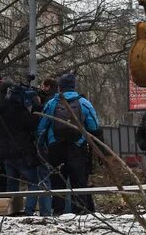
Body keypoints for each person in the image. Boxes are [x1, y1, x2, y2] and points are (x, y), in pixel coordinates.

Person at [38, 73, 100, 215]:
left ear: (60, 87)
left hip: (56, 147)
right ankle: (80, 211)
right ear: (73, 86)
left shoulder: (52, 103)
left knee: (58, 181)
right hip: (77, 147)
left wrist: (43, 145)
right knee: (78, 180)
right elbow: (94, 126)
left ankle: (58, 211)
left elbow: (42, 127)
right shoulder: (84, 103)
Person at [0, 80, 52, 216]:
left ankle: (11, 211)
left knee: (12, 183)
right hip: (20, 152)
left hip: (5, 152)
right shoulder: (18, 110)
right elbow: (33, 123)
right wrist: (36, 106)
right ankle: (29, 210)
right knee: (34, 181)